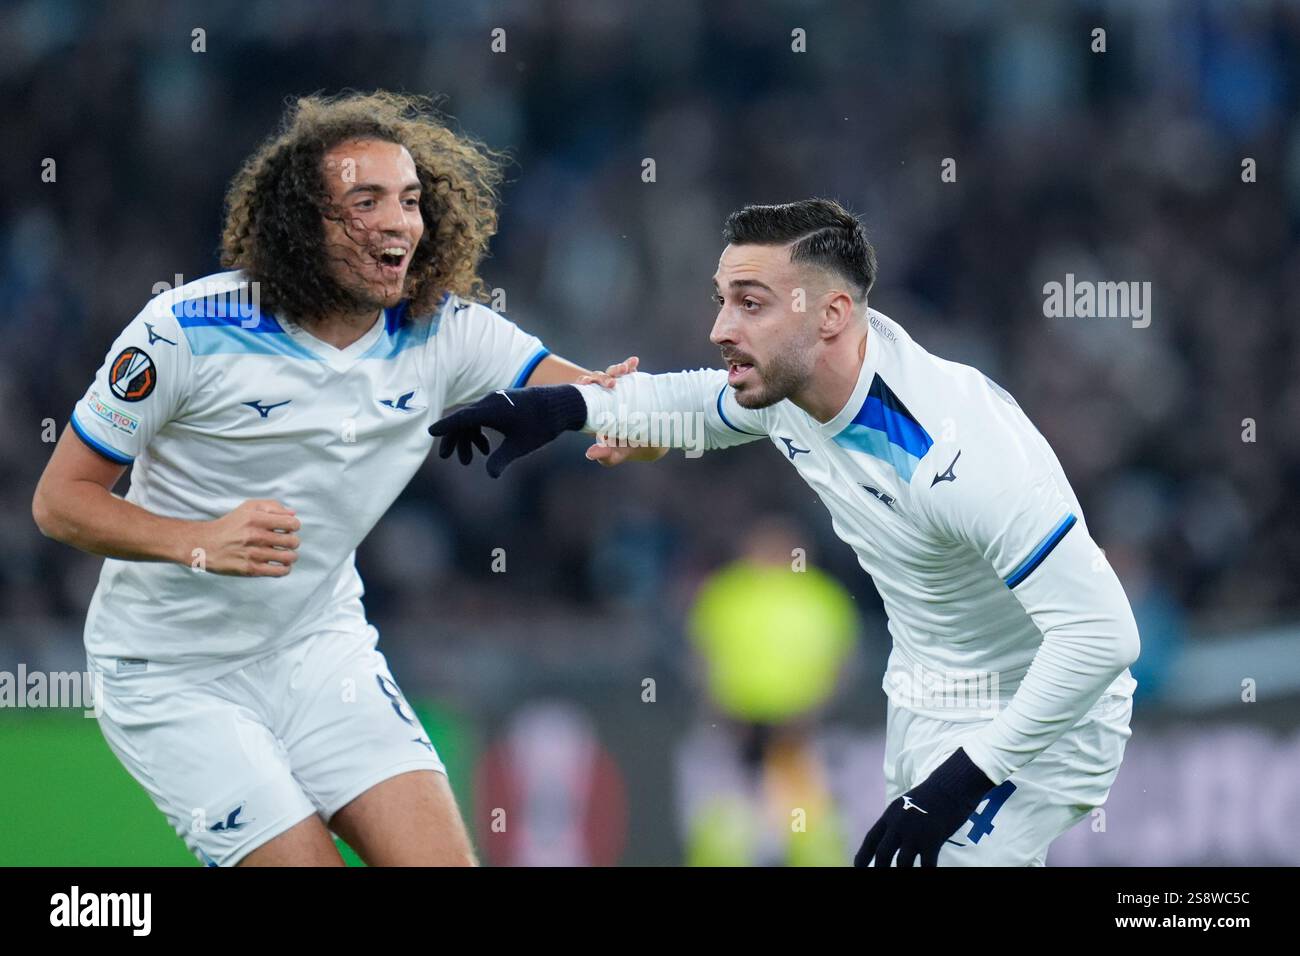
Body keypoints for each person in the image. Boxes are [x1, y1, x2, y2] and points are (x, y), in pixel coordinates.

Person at [430, 198, 1141, 867]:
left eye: (750, 303)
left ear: (831, 314)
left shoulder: (954, 455)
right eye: (722, 300)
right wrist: (559, 407)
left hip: (1043, 712)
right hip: (928, 693)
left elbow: (1103, 636)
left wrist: (963, 778)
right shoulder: (795, 385)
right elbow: (695, 404)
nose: (720, 329)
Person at [30, 91, 639, 867]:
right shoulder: (184, 330)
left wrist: (639, 423)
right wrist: (200, 542)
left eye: (410, 201)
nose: (398, 222)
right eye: (366, 201)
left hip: (319, 650)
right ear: (303, 223)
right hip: (172, 675)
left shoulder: (444, 333)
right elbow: (59, 502)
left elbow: (597, 400)